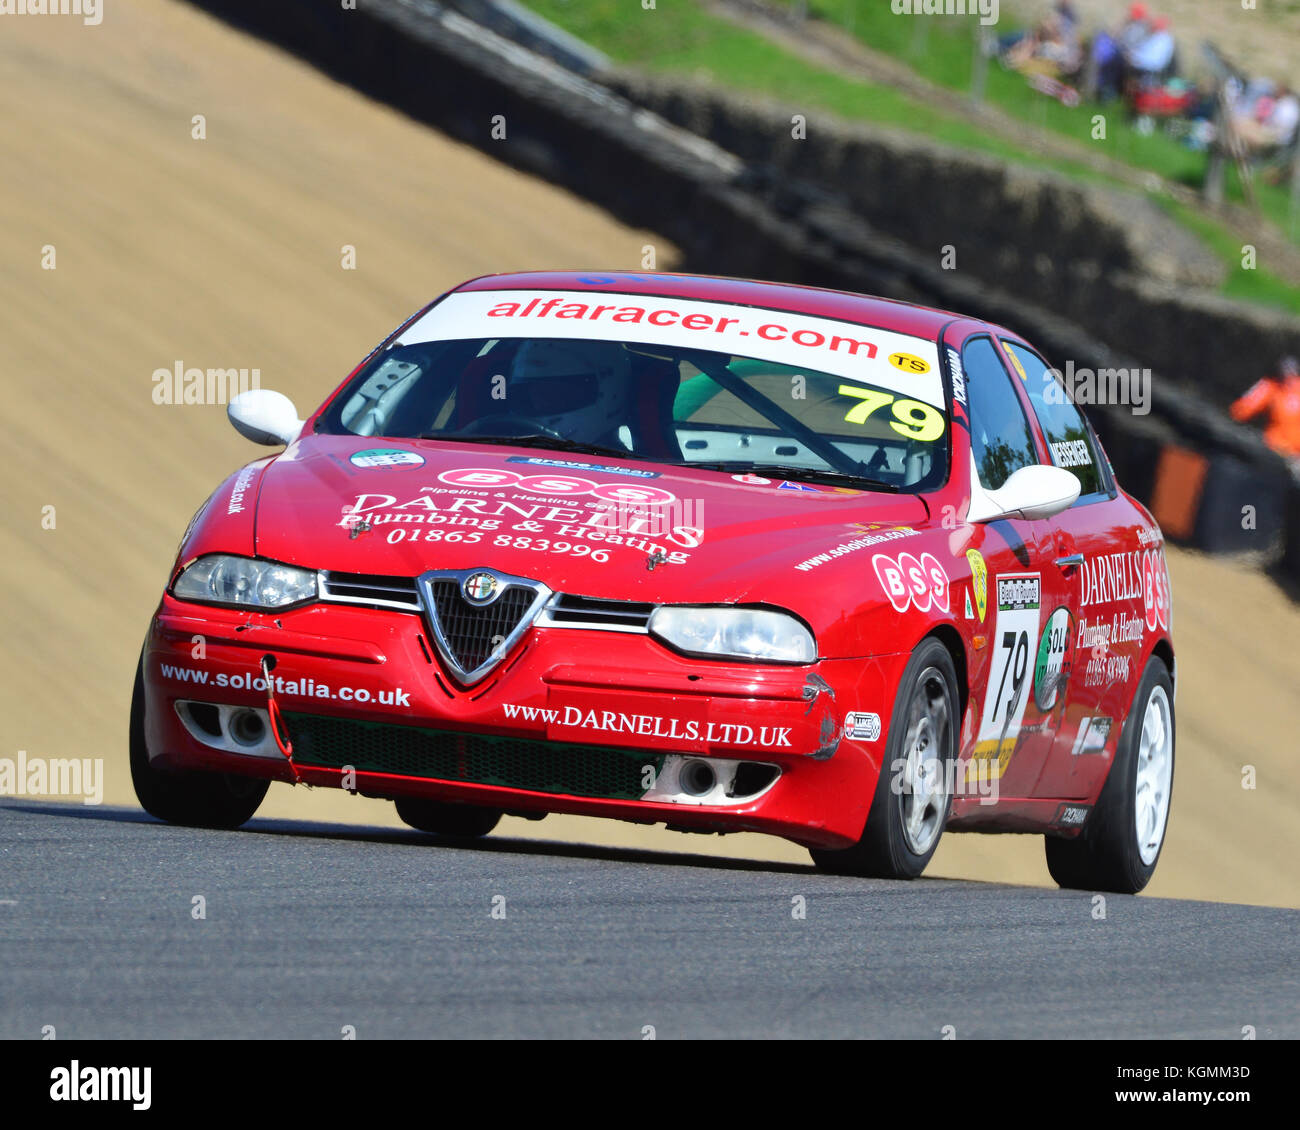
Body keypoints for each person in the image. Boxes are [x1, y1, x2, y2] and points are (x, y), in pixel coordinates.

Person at [1231, 356, 1300, 469]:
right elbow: (1241, 409)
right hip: (1276, 450)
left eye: (1292, 371)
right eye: (1285, 371)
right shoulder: (1269, 386)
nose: (1288, 375)